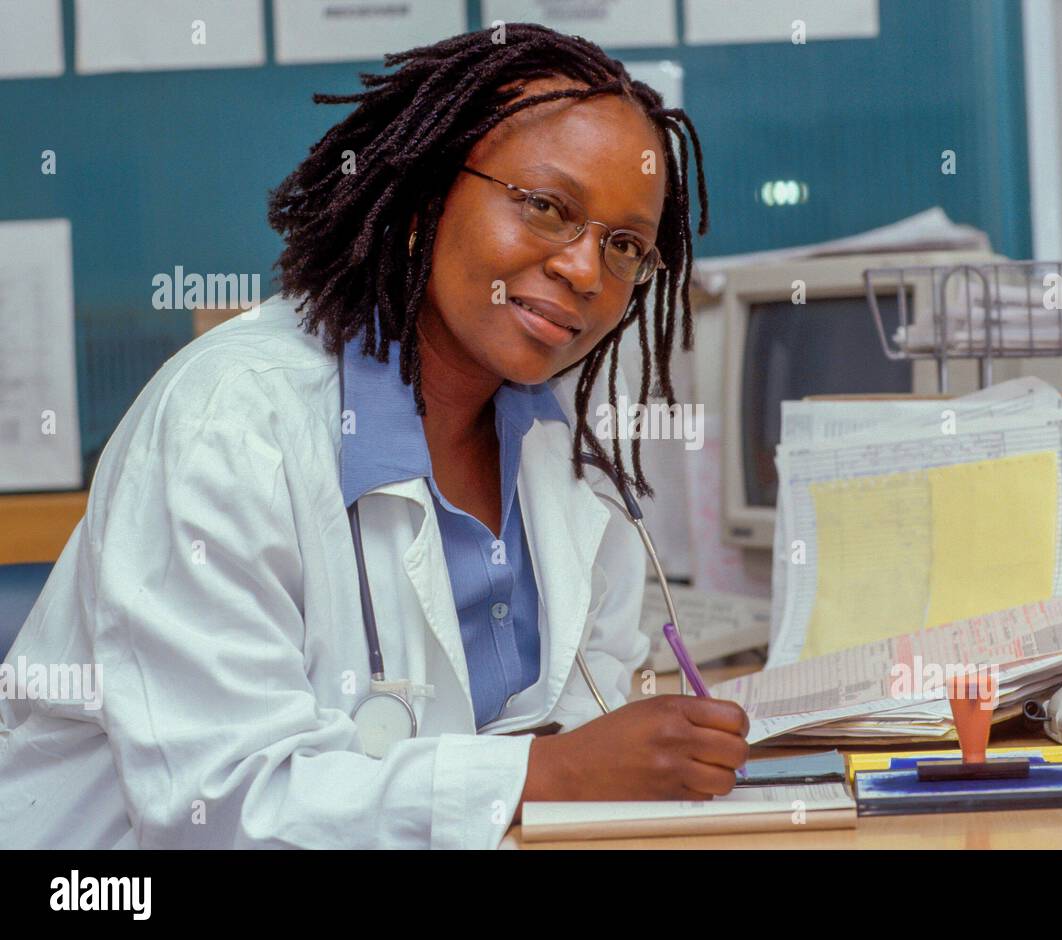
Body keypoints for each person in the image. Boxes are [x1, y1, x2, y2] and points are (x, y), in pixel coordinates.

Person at [0, 23, 749, 850]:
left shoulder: (565, 451)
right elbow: (220, 810)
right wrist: (551, 777)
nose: (584, 270)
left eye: (624, 247)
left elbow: (577, 725)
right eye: (546, 207)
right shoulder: (232, 422)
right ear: (428, 195)